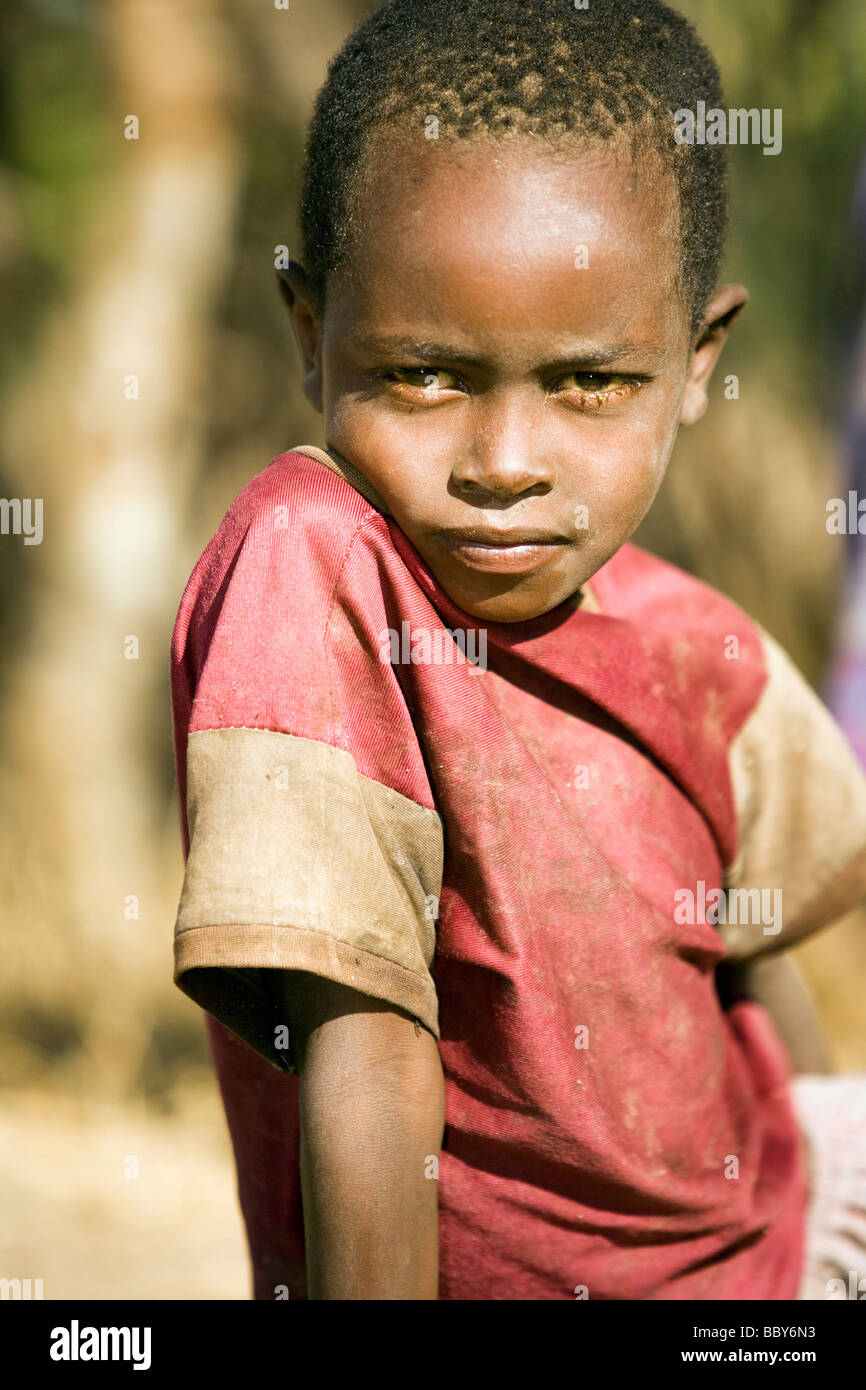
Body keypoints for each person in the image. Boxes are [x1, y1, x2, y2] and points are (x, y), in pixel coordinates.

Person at [170, 0, 866, 1300]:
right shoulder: (315, 558)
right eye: (426, 374)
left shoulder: (703, 654)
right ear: (308, 334)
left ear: (697, 358)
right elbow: (366, 1048)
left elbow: (753, 963)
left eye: (591, 383)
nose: (501, 465)